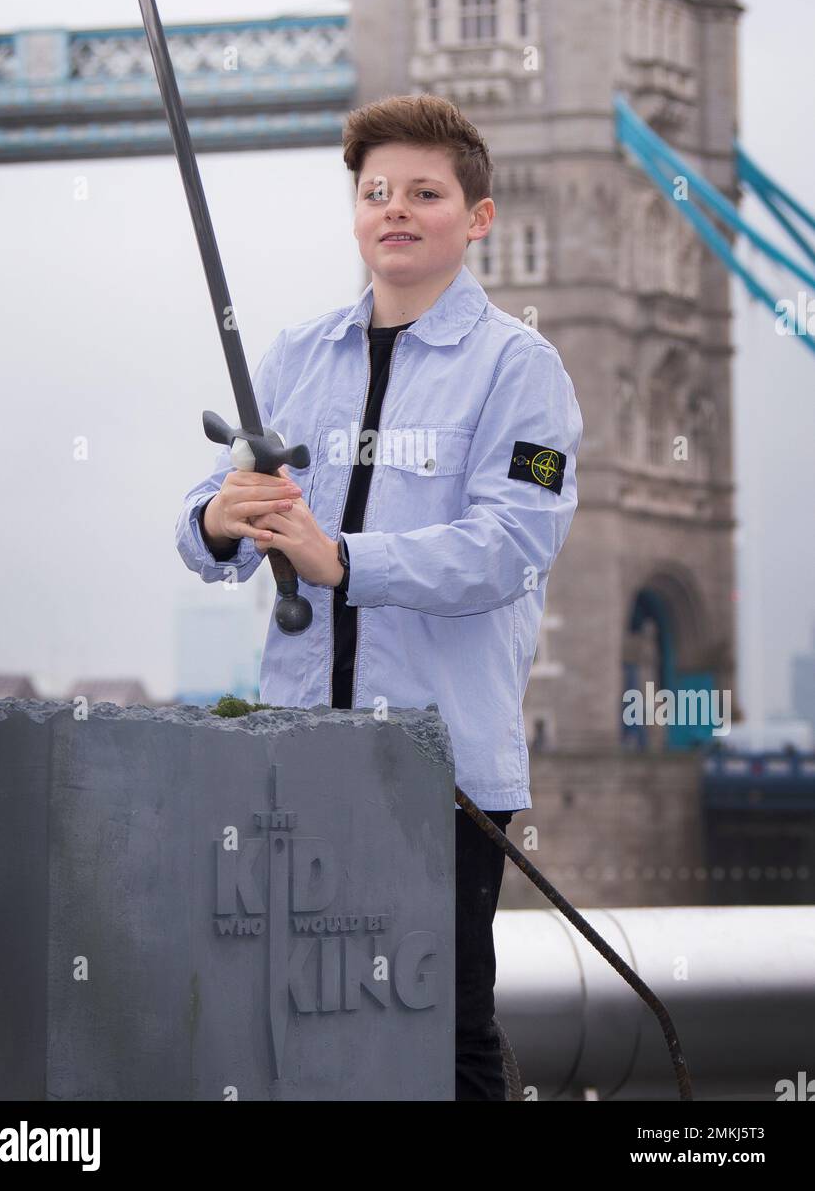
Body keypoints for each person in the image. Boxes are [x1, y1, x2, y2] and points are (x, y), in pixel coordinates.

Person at [176, 93, 583, 1100]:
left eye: (423, 193)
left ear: (475, 218)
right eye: (374, 193)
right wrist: (225, 516)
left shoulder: (520, 371)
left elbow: (509, 546)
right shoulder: (295, 352)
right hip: (296, 757)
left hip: (436, 774)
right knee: (296, 1025)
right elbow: (200, 523)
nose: (394, 210)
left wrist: (344, 558)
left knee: (439, 1031)